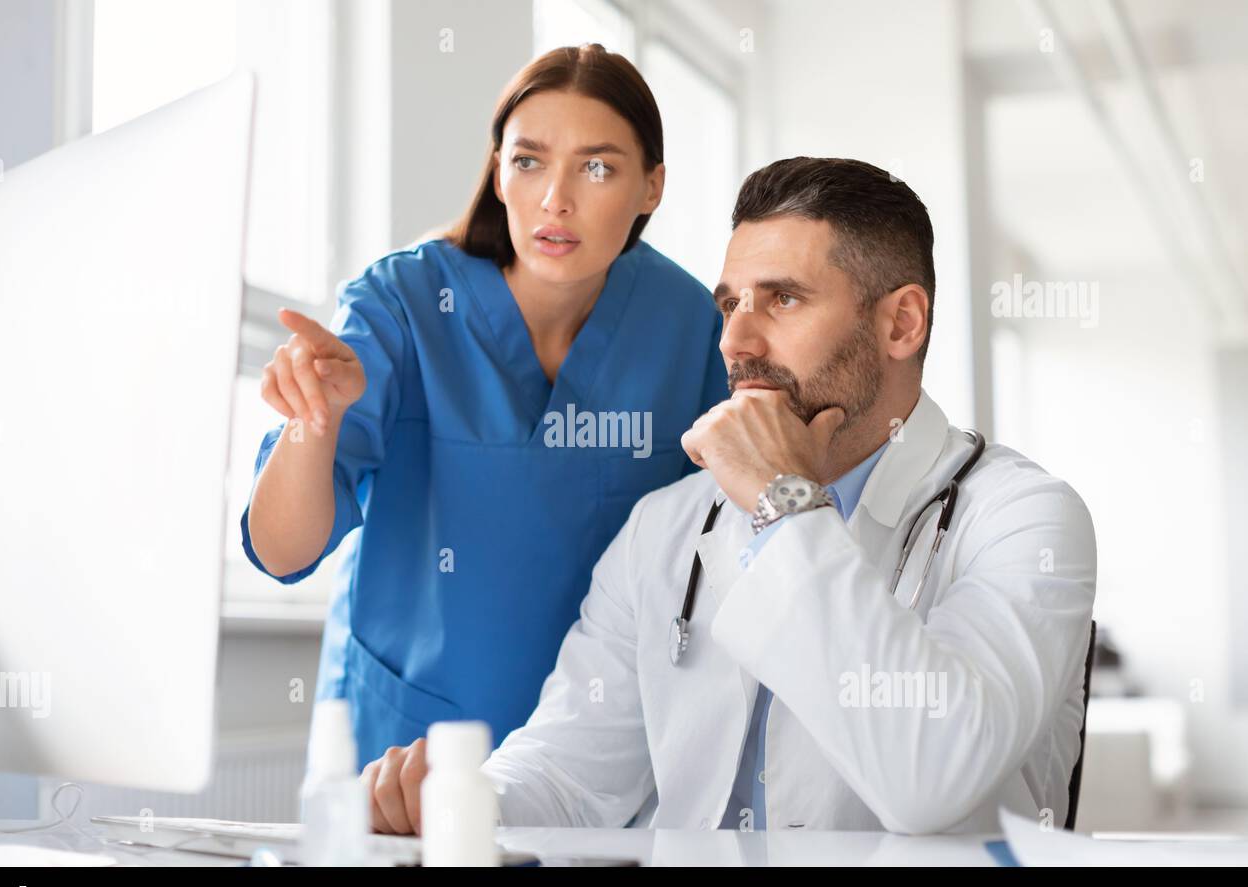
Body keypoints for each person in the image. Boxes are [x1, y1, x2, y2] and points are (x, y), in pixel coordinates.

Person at [361, 158, 1097, 836]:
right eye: (728, 305)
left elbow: (927, 780)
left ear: (901, 323)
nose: (735, 342)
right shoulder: (667, 525)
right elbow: (567, 774)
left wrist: (786, 504)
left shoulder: (1022, 519)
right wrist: (461, 799)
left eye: (782, 299)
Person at [241, 45, 728, 767]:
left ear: (651, 187)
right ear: (498, 169)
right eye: (529, 160)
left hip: (601, 757)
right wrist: (315, 423)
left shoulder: (688, 326)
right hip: (407, 750)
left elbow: (720, 551)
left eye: (597, 167)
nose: (555, 198)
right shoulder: (402, 307)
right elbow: (282, 552)